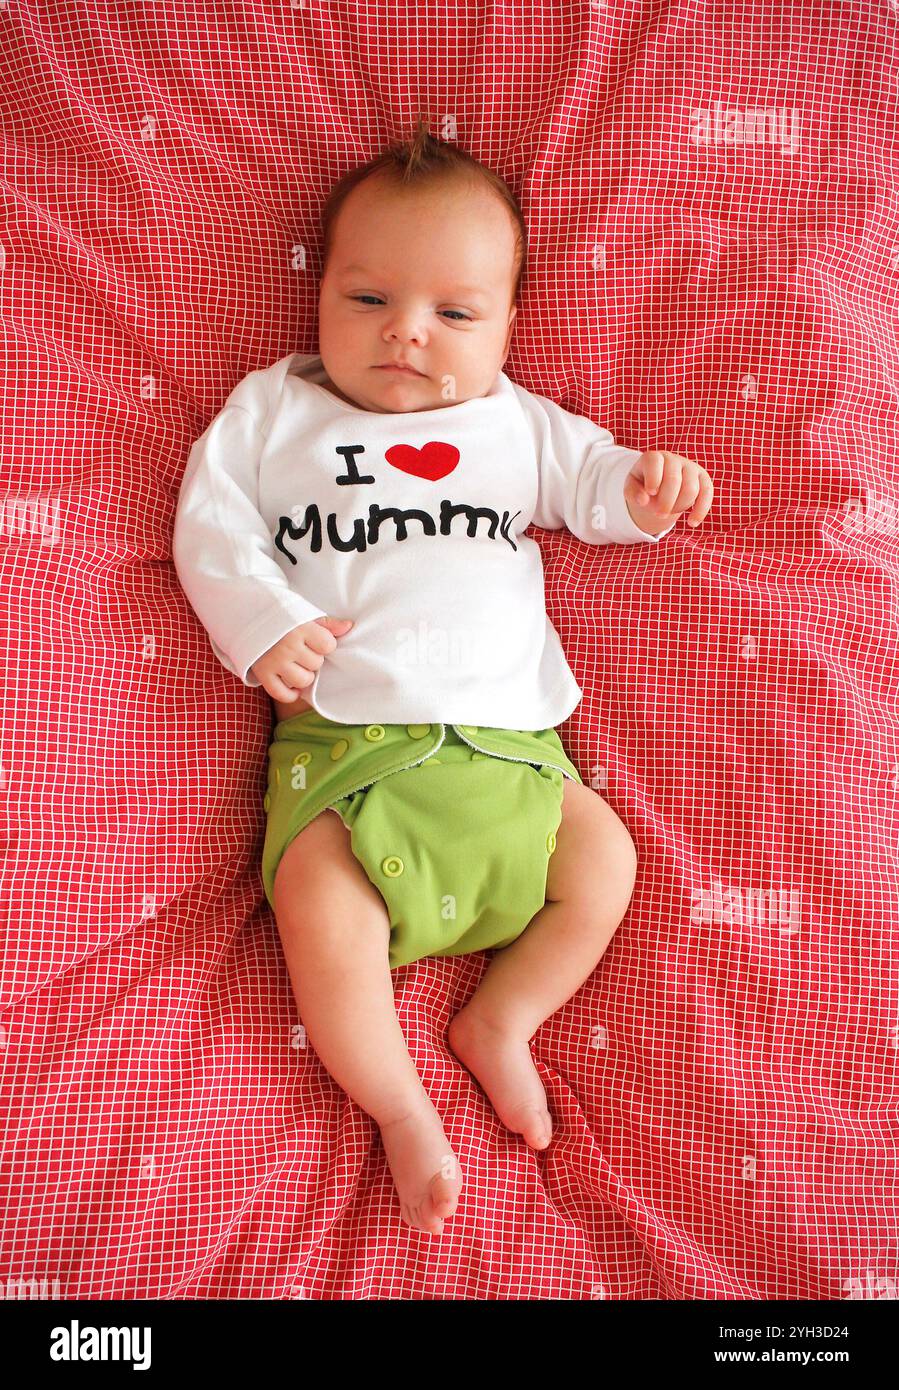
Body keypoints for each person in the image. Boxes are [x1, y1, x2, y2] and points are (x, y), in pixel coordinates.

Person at [172, 114, 714, 1237]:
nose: (407, 334)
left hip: (517, 759)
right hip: (349, 758)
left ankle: (500, 1021)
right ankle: (399, 1104)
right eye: (368, 300)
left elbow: (595, 485)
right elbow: (209, 525)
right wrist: (261, 621)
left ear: (508, 326)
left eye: (454, 314)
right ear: (318, 293)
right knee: (318, 908)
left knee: (604, 858)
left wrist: (645, 490)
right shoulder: (276, 410)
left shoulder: (514, 423)